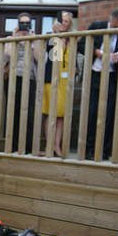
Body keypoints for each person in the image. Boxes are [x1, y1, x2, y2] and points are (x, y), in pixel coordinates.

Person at [85, 9, 118, 160]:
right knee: (93, 112)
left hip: (112, 77)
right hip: (95, 74)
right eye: (115, 26)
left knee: (109, 114)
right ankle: (89, 149)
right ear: (111, 20)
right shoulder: (97, 26)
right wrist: (100, 53)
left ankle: (104, 150)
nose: (117, 29)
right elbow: (83, 44)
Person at [0, 13, 40, 153]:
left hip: (30, 79)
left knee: (28, 114)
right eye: (22, 23)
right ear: (17, 24)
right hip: (13, 78)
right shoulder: (10, 39)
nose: (24, 26)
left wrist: (33, 40)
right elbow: (8, 55)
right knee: (13, 112)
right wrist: (15, 38)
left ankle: (27, 148)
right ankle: (13, 146)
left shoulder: (35, 40)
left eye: (27, 23)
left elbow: (39, 58)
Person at [40, 10, 76, 157]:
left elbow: (74, 58)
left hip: (65, 81)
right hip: (52, 79)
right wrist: (55, 35)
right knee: (51, 113)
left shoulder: (72, 39)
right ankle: (50, 146)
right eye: (62, 21)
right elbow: (53, 56)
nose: (63, 24)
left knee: (61, 115)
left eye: (66, 21)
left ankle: (57, 146)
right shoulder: (51, 36)